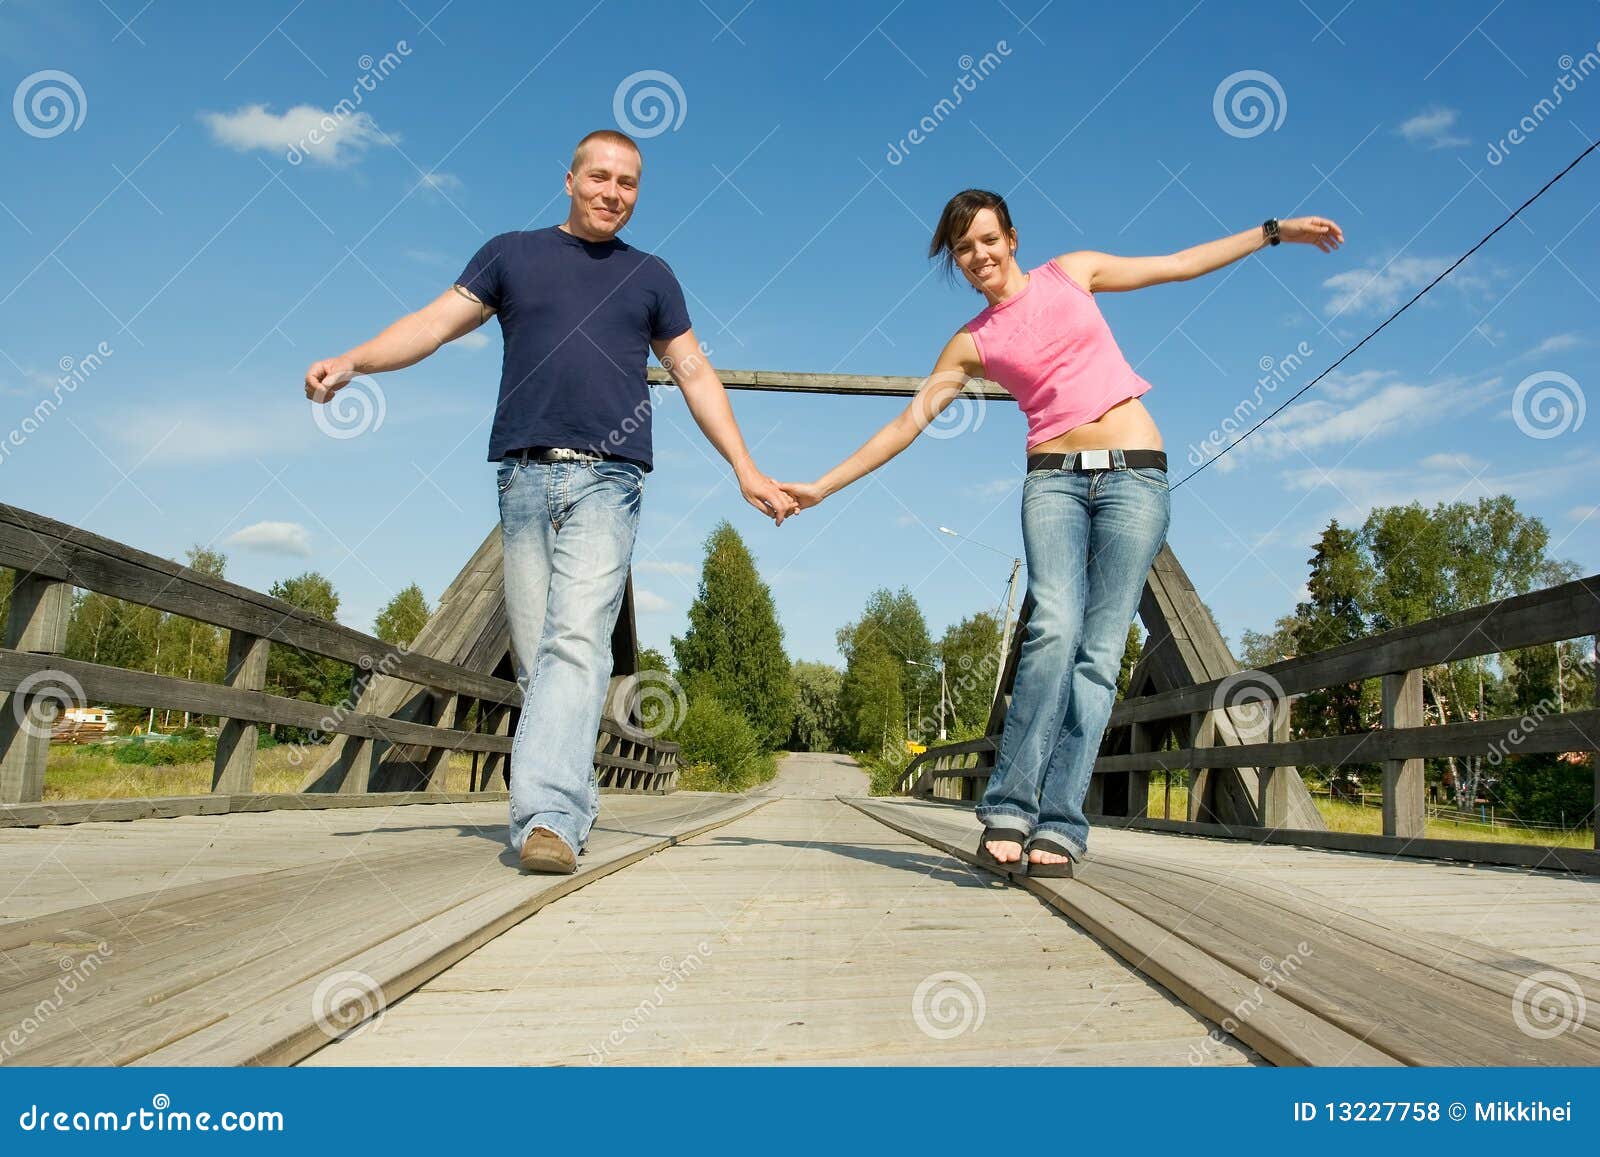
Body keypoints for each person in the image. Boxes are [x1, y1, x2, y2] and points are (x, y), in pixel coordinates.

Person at [783, 189, 1342, 877]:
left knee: (1099, 652)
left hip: (1136, 475)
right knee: (1052, 628)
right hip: (1051, 480)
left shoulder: (1071, 272)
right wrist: (820, 486)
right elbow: (906, 425)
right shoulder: (970, 344)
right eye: (964, 249)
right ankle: (1010, 809)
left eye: (988, 239)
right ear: (956, 261)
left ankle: (1062, 822)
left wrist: (1273, 231)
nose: (979, 255)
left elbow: (1179, 262)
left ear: (1012, 239)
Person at [305, 129, 797, 874]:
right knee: (542, 665)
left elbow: (695, 373)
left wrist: (745, 467)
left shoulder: (651, 276)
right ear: (569, 179)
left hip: (610, 477)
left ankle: (549, 819)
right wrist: (354, 360)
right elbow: (434, 324)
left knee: (575, 645)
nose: (613, 192)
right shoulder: (513, 254)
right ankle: (571, 798)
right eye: (599, 177)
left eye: (628, 183)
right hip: (523, 478)